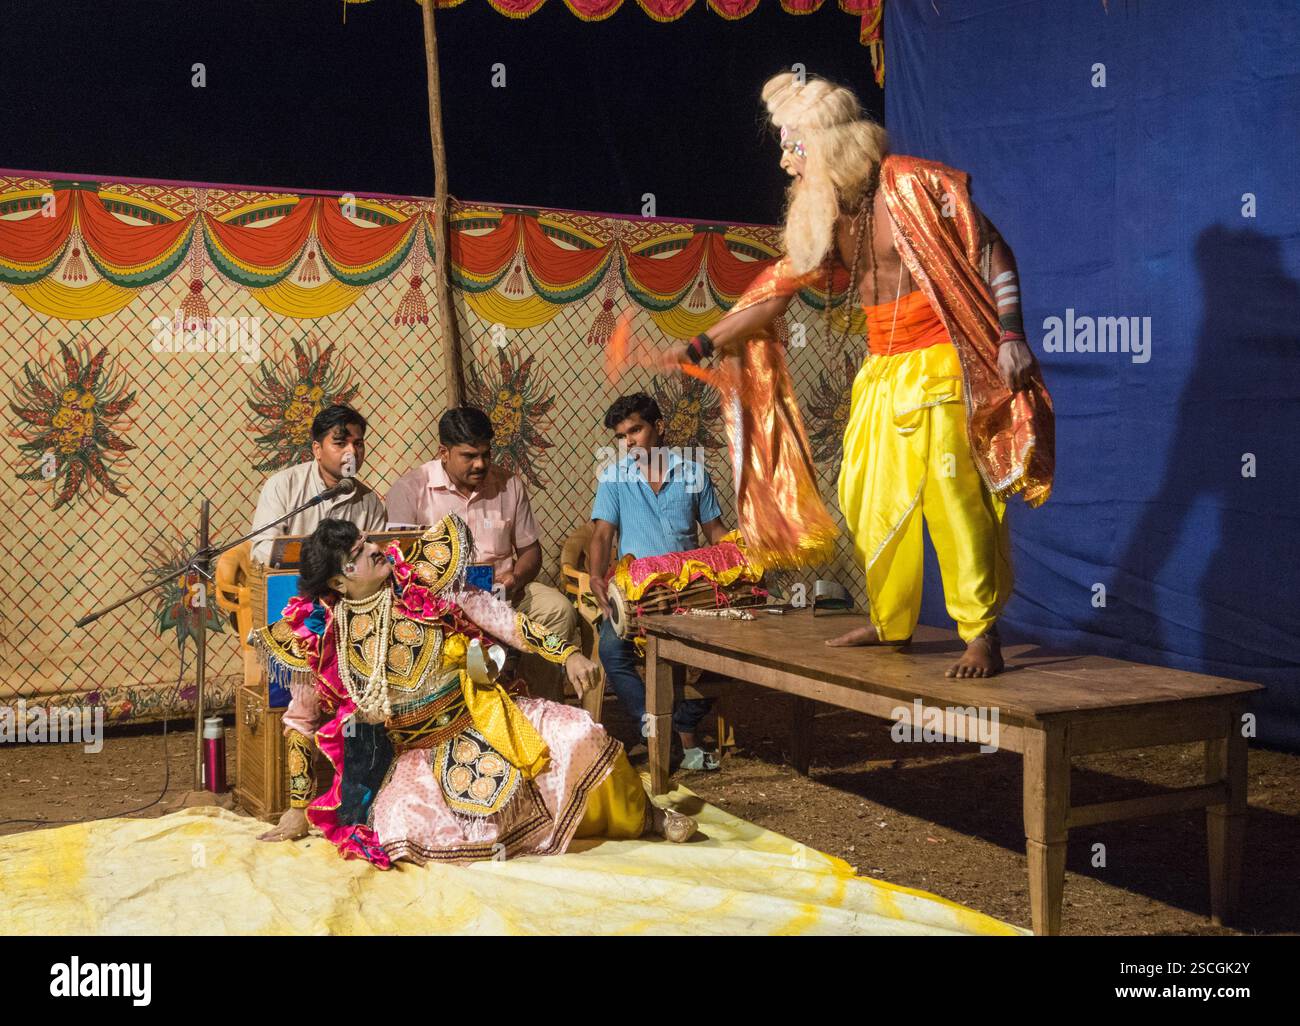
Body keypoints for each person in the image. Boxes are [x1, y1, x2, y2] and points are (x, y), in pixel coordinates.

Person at [662, 71, 1055, 679]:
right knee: (867, 497)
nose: (789, 167)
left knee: (954, 499)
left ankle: (981, 633)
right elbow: (776, 292)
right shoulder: (828, 216)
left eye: (795, 151)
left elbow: (992, 249)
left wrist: (1011, 335)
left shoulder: (913, 184)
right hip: (882, 371)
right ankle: (890, 620)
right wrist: (703, 341)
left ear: (829, 149)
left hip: (943, 367)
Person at [252, 515, 697, 859]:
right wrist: (296, 808)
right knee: (403, 829)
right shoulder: (321, 636)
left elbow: (504, 620)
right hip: (416, 756)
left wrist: (569, 655)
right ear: (337, 581)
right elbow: (300, 721)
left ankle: (650, 816)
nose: (375, 547)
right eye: (358, 550)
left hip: (485, 719)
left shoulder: (423, 585)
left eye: (366, 540)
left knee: (579, 735)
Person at [385, 407, 578, 701]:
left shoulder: (509, 485)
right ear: (444, 452)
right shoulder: (410, 490)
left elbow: (531, 552)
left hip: (504, 595)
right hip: (440, 606)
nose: (480, 464)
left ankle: (541, 708)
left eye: (486, 454)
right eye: (469, 456)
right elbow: (400, 565)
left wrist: (514, 577)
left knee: (557, 609)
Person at [588, 393, 728, 770]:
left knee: (732, 653)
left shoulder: (694, 473)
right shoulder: (614, 478)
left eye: (636, 430)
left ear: (659, 427)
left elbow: (715, 533)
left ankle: (682, 726)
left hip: (690, 590)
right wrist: (596, 578)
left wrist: (738, 567)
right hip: (636, 594)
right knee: (611, 651)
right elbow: (602, 536)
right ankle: (656, 730)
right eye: (621, 436)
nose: (629, 442)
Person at [249, 404, 387, 566]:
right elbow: (262, 549)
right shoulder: (283, 486)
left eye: (358, 444)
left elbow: (379, 556)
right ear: (317, 449)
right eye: (341, 443)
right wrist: (321, 560)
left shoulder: (370, 501)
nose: (352, 452)